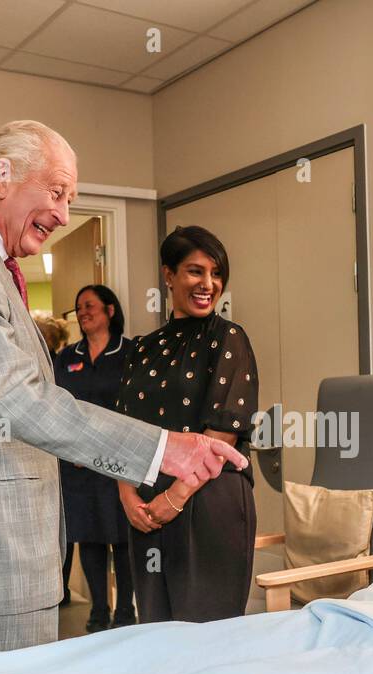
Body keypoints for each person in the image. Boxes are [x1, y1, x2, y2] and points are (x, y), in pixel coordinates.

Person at [0, 120, 245, 653]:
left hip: (2, 541)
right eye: (57, 191)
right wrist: (163, 449)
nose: (65, 214)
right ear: (2, 175)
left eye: (71, 198)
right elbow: (17, 398)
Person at [115, 226, 259, 623]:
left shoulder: (228, 338)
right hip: (146, 508)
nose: (208, 284)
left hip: (208, 502)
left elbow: (221, 434)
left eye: (216, 274)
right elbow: (124, 429)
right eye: (195, 271)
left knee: (205, 634)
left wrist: (174, 499)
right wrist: (128, 496)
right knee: (155, 630)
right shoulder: (141, 348)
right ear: (168, 275)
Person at [53, 284, 134, 632]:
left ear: (110, 310)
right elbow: (57, 406)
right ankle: (99, 611)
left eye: (90, 305)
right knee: (90, 536)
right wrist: (72, 447)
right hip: (80, 464)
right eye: (78, 307)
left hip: (121, 462)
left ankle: (126, 611)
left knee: (123, 538)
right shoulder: (67, 357)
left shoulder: (131, 352)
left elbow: (138, 408)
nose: (82, 312)